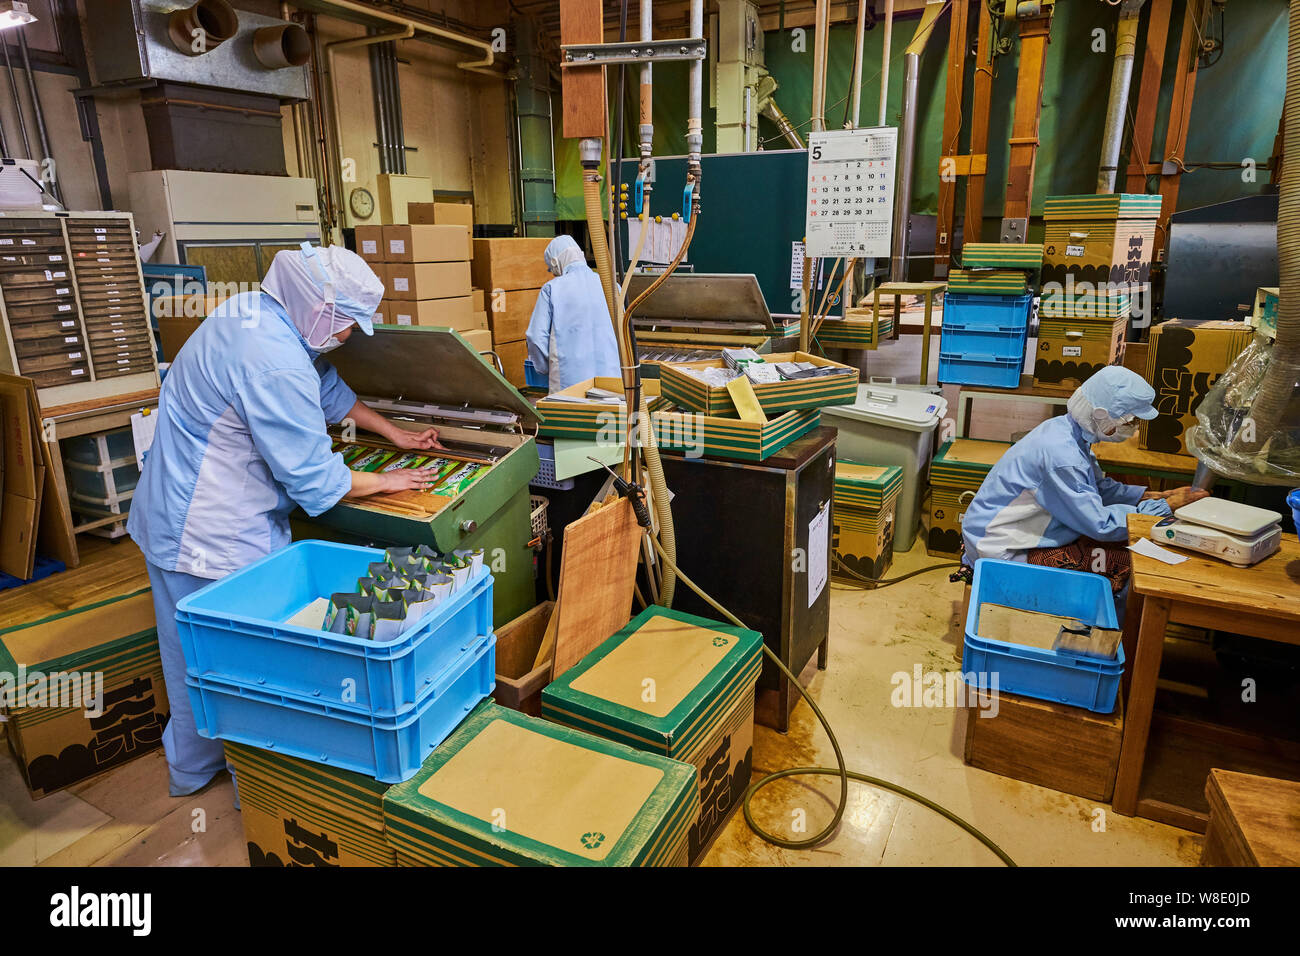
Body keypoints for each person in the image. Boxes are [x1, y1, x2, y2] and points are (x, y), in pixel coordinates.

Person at [128, 243, 447, 796]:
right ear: (320, 307)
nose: (350, 337)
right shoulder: (271, 358)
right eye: (349, 324)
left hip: (172, 514)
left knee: (191, 660)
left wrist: (393, 434)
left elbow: (326, 390)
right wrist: (390, 481)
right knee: (234, 669)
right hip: (212, 537)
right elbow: (316, 482)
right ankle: (258, 784)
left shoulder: (254, 313)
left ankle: (192, 769)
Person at [958, 366, 1209, 597]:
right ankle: (1101, 638)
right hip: (1000, 551)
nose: (1134, 428)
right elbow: (1099, 524)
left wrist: (1150, 497)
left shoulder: (1068, 432)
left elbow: (1095, 488)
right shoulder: (1062, 456)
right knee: (1123, 568)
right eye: (1131, 421)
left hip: (1004, 532)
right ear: (1101, 416)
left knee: (1123, 544)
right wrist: (1161, 510)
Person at [524, 234, 620, 392]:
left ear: (556, 263)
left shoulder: (552, 289)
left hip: (569, 386)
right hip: (612, 383)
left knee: (570, 416)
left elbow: (535, 337)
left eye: (552, 270)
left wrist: (545, 369)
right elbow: (624, 332)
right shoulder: (612, 286)